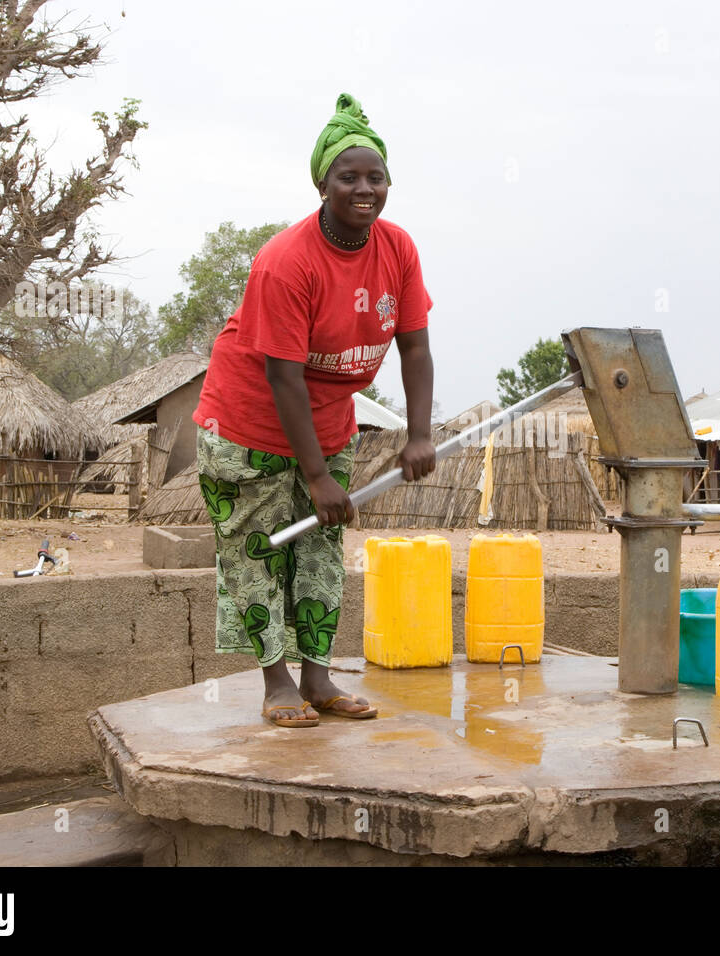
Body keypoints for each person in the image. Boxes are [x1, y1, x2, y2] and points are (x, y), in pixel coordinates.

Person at [192, 93, 436, 728]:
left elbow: (414, 346)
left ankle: (319, 680)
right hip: (249, 422)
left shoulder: (398, 250)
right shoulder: (285, 262)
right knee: (259, 552)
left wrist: (419, 434)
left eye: (375, 177)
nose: (364, 189)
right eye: (348, 177)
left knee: (322, 548)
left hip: (326, 422)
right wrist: (318, 475)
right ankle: (277, 686)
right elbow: (283, 377)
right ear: (322, 184)